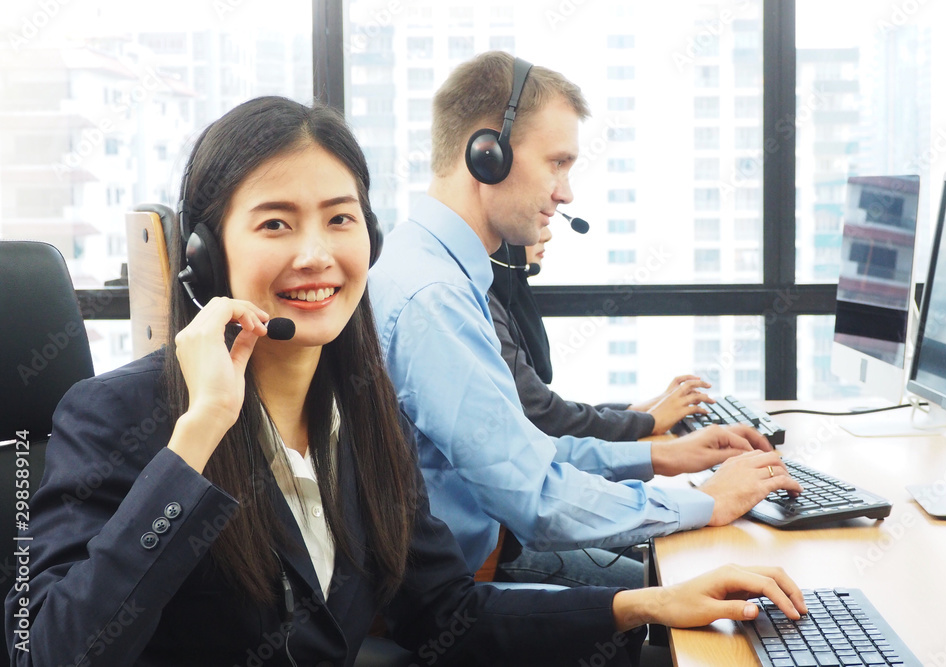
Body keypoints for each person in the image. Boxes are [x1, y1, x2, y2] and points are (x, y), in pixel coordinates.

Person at [4, 96, 809, 666]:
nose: (316, 253)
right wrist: (201, 430)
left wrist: (645, 602)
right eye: (276, 222)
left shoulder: (364, 414)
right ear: (208, 256)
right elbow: (48, 650)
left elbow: (444, 613)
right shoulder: (117, 417)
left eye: (340, 217)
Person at [368, 51, 801, 591]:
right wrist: (704, 502)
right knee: (695, 597)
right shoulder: (435, 300)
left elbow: (522, 452)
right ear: (487, 153)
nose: (566, 192)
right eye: (557, 163)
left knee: (688, 577)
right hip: (456, 592)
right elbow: (535, 498)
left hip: (470, 567)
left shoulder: (431, 268)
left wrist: (662, 457)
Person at [489, 226, 715, 441]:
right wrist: (650, 421)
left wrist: (639, 411)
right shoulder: (488, 305)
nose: (547, 235)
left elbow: (549, 411)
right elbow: (543, 415)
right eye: (539, 220)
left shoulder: (503, 296)